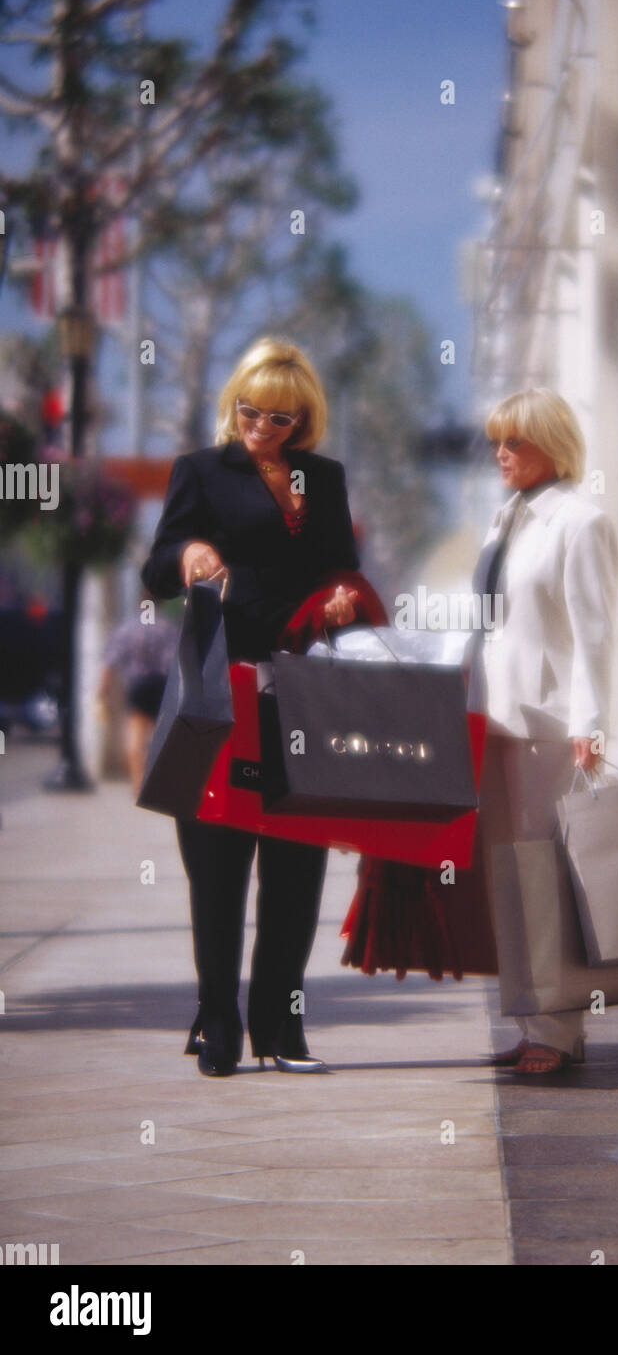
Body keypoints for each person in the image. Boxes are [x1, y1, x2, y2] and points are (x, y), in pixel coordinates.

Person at [141, 337, 363, 1078]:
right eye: (248, 411)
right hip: (218, 688)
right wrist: (188, 559)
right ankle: (217, 1024)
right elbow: (156, 564)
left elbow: (344, 567)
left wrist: (340, 596)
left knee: (296, 868)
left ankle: (282, 1028)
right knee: (216, 865)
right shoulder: (200, 471)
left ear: (303, 422)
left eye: (279, 419)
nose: (260, 428)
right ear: (232, 402)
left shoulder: (322, 479)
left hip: (300, 692)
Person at [472, 387, 618, 1076]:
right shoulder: (506, 519)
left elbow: (595, 634)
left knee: (545, 877)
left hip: (548, 726)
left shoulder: (579, 521)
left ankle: (557, 1034)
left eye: (516, 442)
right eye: (496, 441)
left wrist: (589, 722)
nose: (501, 454)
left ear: (550, 446)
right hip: (497, 720)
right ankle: (533, 1020)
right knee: (511, 874)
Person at [97, 600, 178, 794]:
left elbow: (110, 661)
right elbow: (176, 659)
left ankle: (138, 783)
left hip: (137, 685)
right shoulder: (167, 627)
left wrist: (102, 689)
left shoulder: (127, 628)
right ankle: (158, 781)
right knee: (160, 735)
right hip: (161, 685)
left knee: (136, 736)